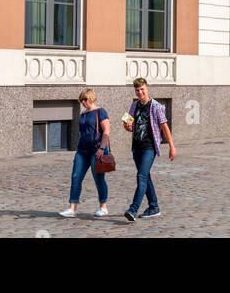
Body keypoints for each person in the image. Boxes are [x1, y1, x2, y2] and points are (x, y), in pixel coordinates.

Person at [121, 77, 176, 221]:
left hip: (149, 148)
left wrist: (172, 147)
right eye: (137, 90)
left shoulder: (156, 106)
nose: (140, 92)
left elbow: (164, 127)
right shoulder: (134, 106)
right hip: (136, 147)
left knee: (141, 177)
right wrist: (126, 126)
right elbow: (128, 124)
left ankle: (133, 209)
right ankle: (154, 207)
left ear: (147, 88)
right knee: (146, 177)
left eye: (142, 89)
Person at [60, 88, 110, 218]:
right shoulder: (83, 114)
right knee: (75, 177)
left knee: (98, 179)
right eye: (81, 100)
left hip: (96, 150)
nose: (83, 102)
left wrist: (102, 148)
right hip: (82, 151)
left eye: (85, 99)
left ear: (91, 98)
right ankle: (73, 208)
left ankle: (103, 207)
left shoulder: (100, 112)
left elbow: (106, 131)